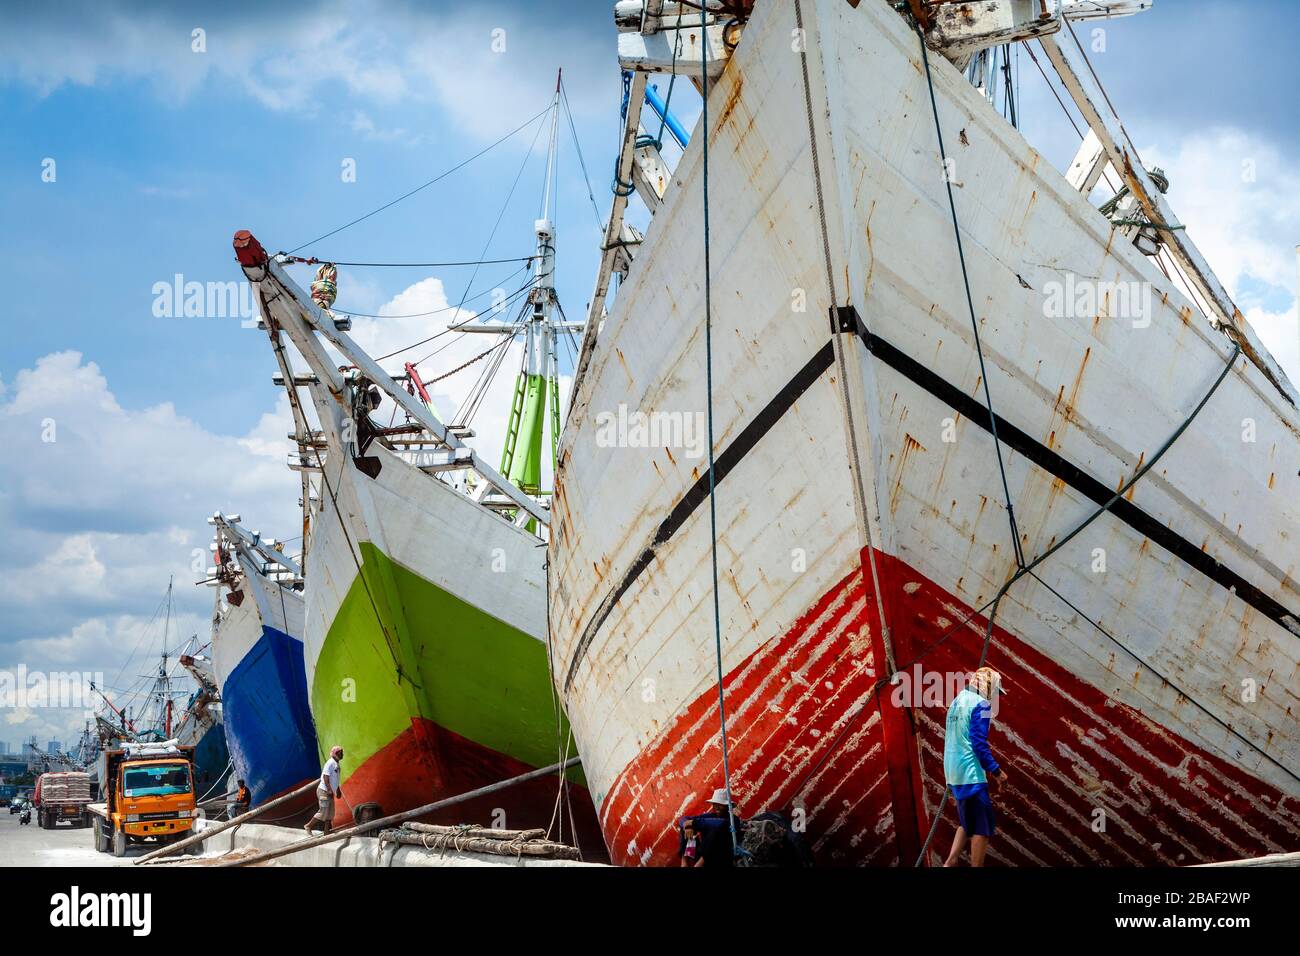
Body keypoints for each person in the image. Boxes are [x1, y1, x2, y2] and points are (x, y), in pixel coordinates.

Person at [943, 666, 1008, 867]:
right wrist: (997, 772)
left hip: (953, 773)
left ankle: (950, 863)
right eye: (995, 692)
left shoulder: (957, 701)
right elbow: (979, 743)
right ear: (988, 687)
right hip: (970, 774)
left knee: (967, 822)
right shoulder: (982, 704)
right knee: (983, 828)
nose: (995, 697)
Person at [677, 787, 742, 868]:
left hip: (719, 858)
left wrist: (694, 822)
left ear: (727, 806)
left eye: (720, 804)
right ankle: (684, 863)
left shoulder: (733, 820)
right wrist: (687, 825)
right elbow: (683, 819)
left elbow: (720, 824)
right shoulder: (712, 815)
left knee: (716, 830)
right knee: (686, 828)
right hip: (703, 853)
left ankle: (699, 864)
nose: (716, 807)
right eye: (715, 804)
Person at [305, 746, 343, 835]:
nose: (342, 754)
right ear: (335, 754)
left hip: (329, 792)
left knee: (330, 813)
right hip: (324, 791)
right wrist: (329, 789)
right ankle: (308, 826)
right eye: (340, 752)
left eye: (342, 752)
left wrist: (338, 790)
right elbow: (326, 777)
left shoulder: (336, 764)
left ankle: (326, 831)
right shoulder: (330, 763)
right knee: (323, 811)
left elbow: (335, 780)